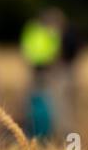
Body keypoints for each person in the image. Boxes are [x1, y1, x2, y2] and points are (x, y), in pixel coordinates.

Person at [19, 8, 63, 140]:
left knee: (40, 99)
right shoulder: (43, 31)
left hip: (43, 68)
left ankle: (42, 132)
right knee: (42, 99)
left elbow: (28, 47)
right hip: (40, 68)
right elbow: (53, 49)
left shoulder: (34, 30)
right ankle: (39, 131)